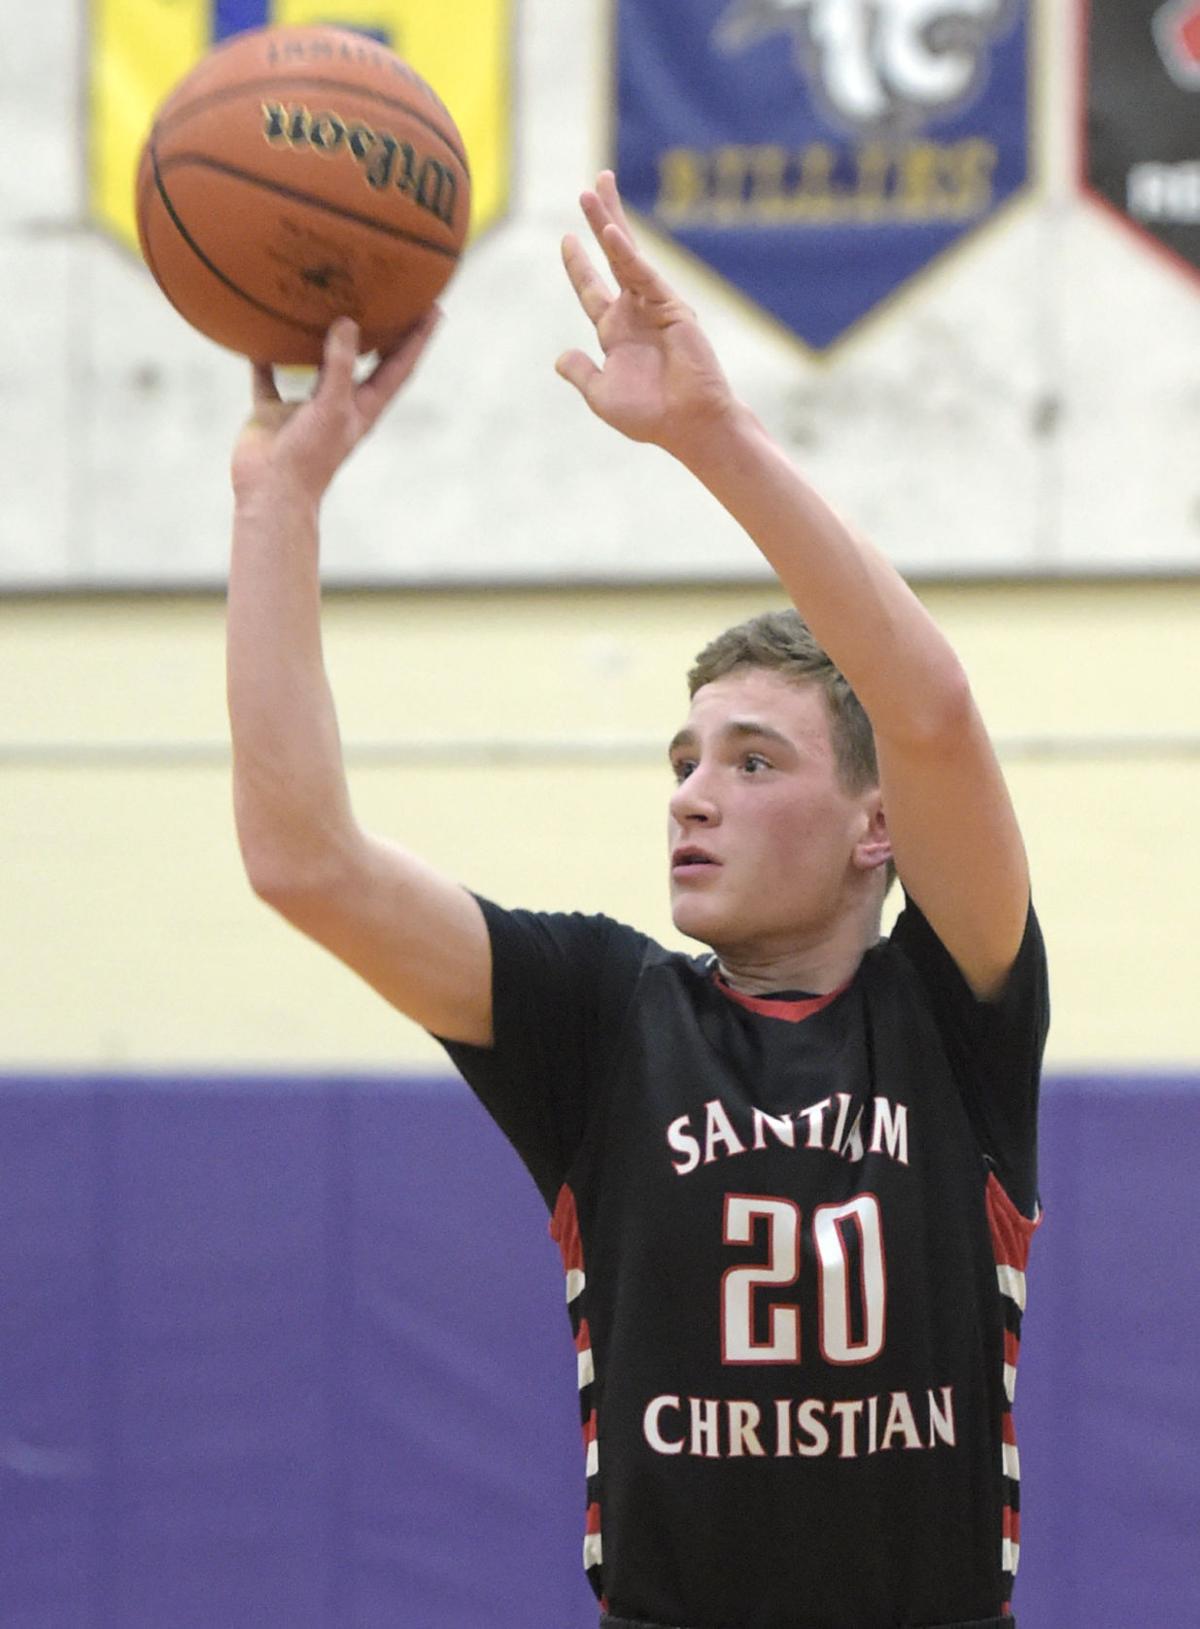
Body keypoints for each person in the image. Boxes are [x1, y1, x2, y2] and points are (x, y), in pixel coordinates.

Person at [227, 172, 1048, 1629]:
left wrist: (710, 436)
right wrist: (276, 509)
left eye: (751, 759)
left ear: (877, 828)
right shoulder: (602, 1015)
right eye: (682, 759)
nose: (691, 793)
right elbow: (305, 858)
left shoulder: (956, 1008)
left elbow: (930, 712)